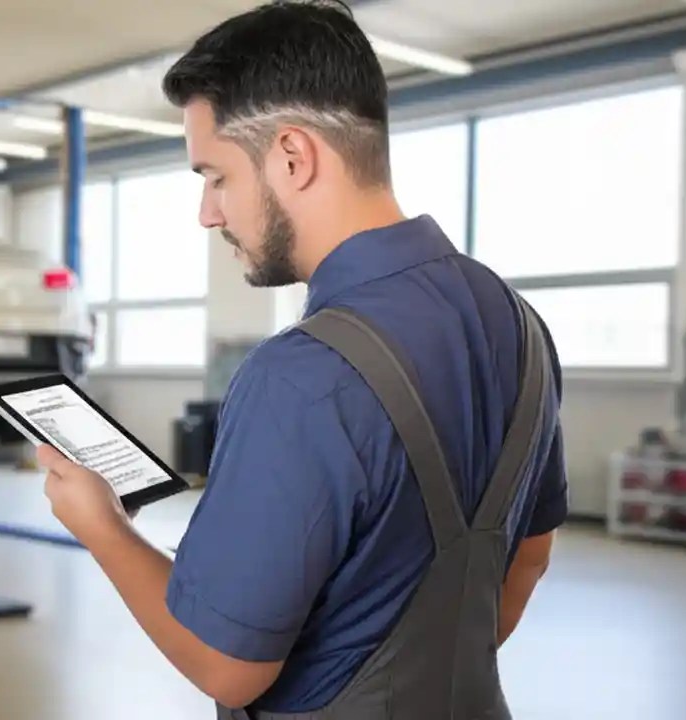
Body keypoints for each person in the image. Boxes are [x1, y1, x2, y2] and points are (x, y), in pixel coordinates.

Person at [36, 1, 567, 718]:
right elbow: (527, 558)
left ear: (293, 155)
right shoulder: (517, 323)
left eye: (216, 176)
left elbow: (228, 667)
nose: (208, 213)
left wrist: (101, 525)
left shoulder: (300, 376)